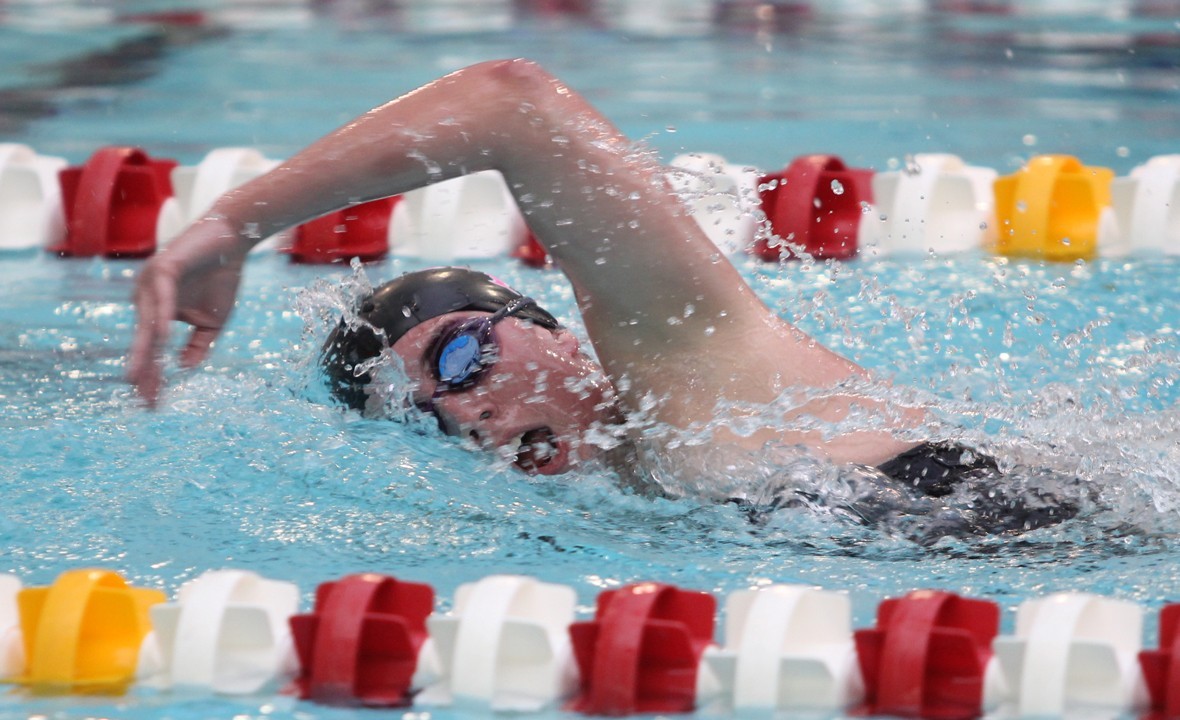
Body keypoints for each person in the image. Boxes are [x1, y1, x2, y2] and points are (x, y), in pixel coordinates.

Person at [127, 59, 1073, 533]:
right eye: (424, 417)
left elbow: (513, 103)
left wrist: (234, 223)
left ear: (554, 330)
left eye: (459, 356)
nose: (467, 412)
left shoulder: (684, 363)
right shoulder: (624, 505)